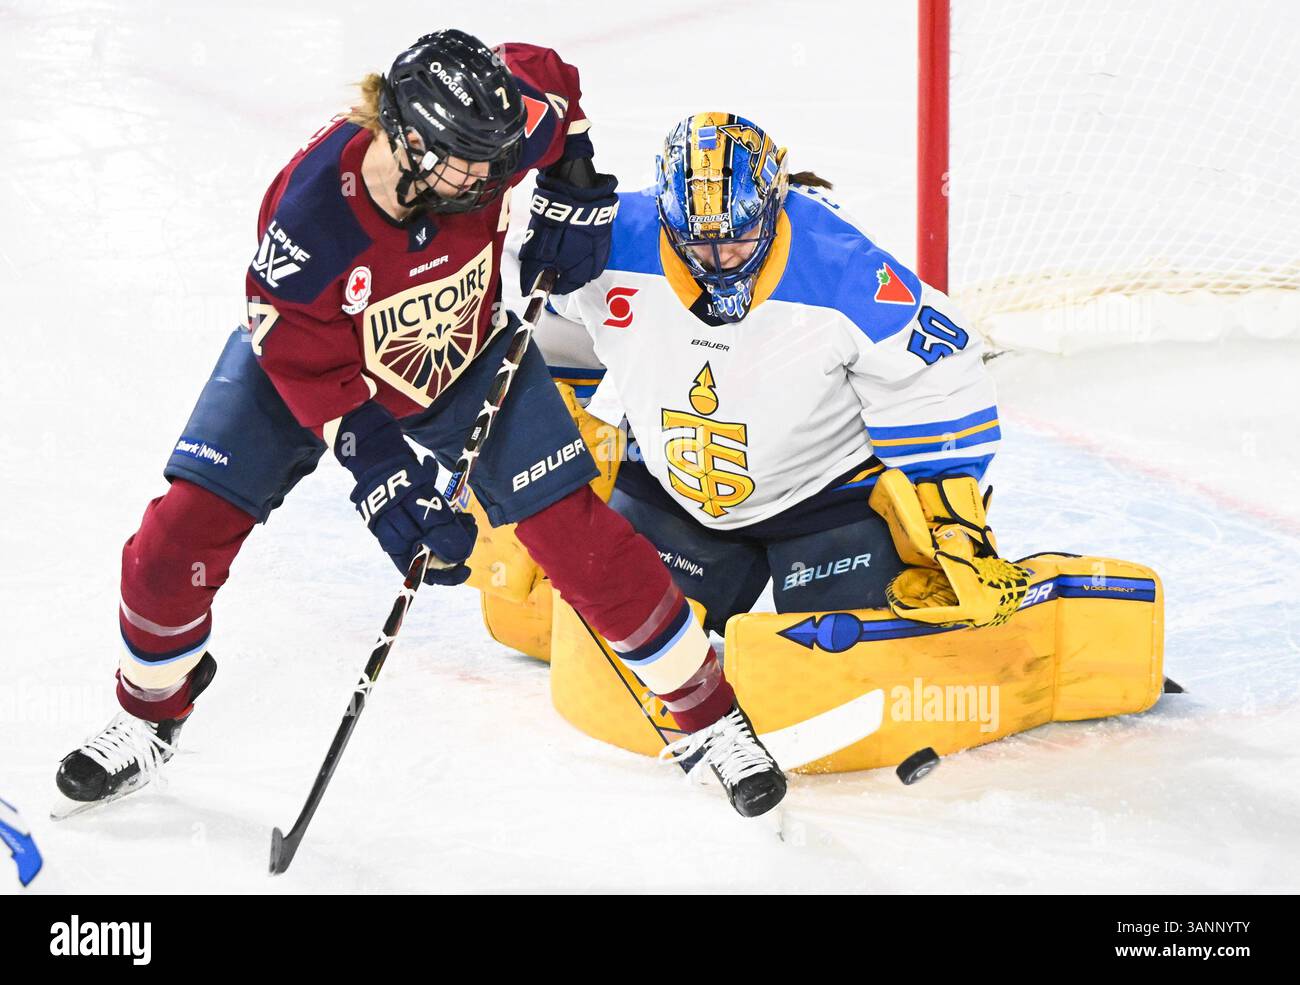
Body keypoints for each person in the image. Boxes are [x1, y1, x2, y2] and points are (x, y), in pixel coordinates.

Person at [55, 38, 785, 820]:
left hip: (464, 358)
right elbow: (305, 362)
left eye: (492, 164)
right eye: (460, 166)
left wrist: (575, 178)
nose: (480, 182)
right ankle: (148, 713)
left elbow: (555, 92)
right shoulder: (308, 220)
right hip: (313, 368)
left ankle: (710, 720)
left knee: (578, 535)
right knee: (176, 540)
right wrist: (382, 479)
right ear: (403, 135)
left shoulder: (487, 133)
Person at [527, 112, 1018, 636]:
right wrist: (549, 428)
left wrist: (943, 508)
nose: (720, 258)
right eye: (698, 243)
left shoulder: (843, 268)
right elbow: (552, 324)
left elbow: (934, 374)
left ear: (774, 201)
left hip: (828, 501)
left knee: (849, 652)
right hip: (668, 488)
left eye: (739, 237)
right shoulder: (612, 241)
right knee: (602, 641)